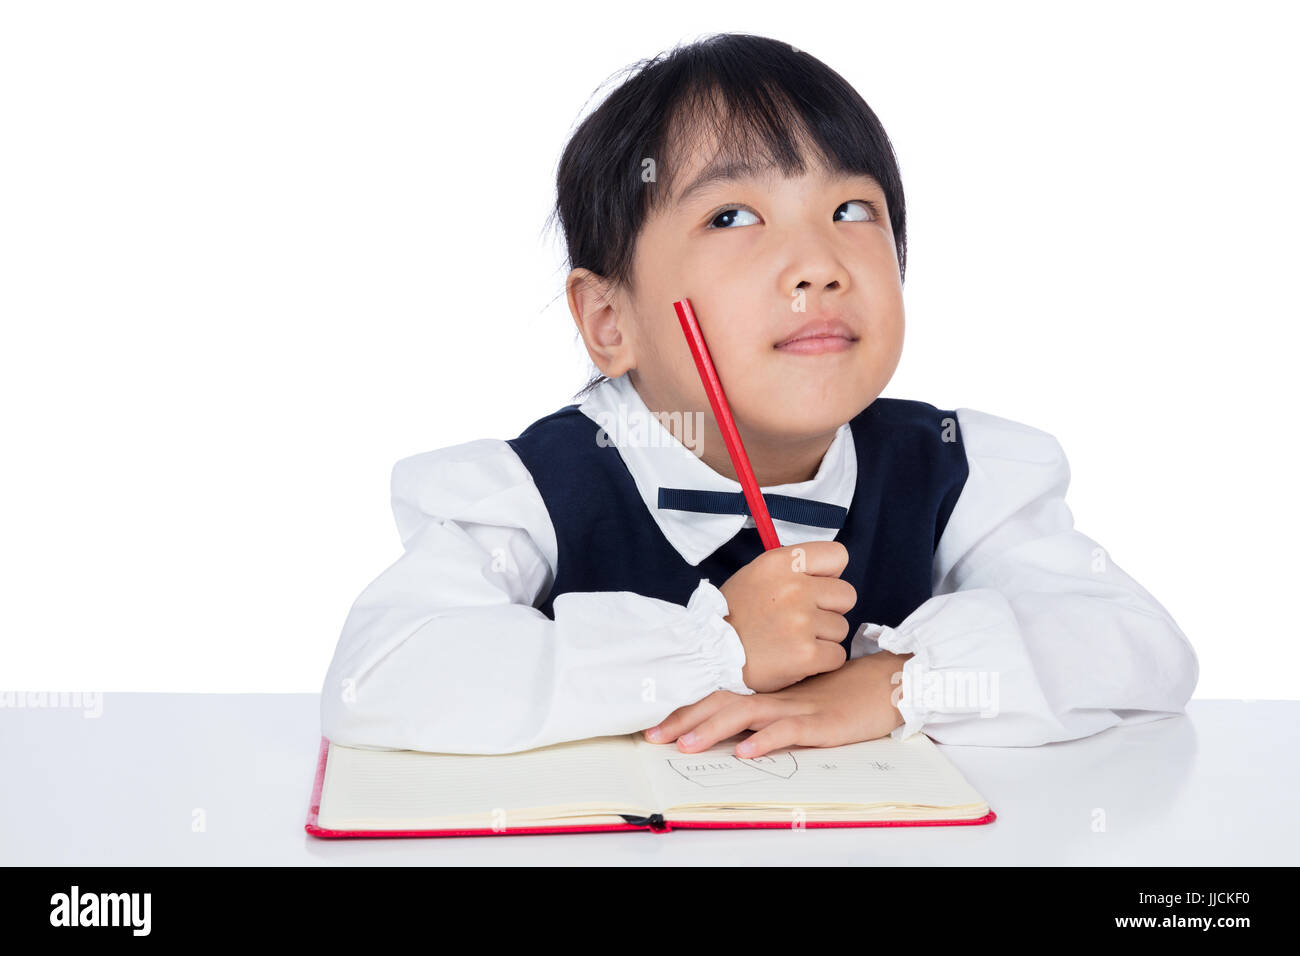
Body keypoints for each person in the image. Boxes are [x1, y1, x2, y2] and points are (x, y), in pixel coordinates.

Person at [319, 32, 1198, 757]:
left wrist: (896, 681)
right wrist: (715, 649)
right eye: (731, 217)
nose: (818, 264)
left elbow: (1141, 651)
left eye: (853, 211)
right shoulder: (536, 493)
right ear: (609, 318)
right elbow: (379, 674)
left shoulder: (956, 472)